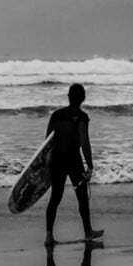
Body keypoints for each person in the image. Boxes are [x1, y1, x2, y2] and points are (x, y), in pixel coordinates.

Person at [44, 83, 103, 247]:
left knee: (55, 197)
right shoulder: (81, 116)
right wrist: (90, 166)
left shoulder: (56, 115)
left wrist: (46, 165)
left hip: (56, 159)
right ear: (83, 98)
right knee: (82, 196)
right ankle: (88, 231)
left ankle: (49, 236)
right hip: (73, 160)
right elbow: (84, 142)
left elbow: (47, 142)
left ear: (68, 97)